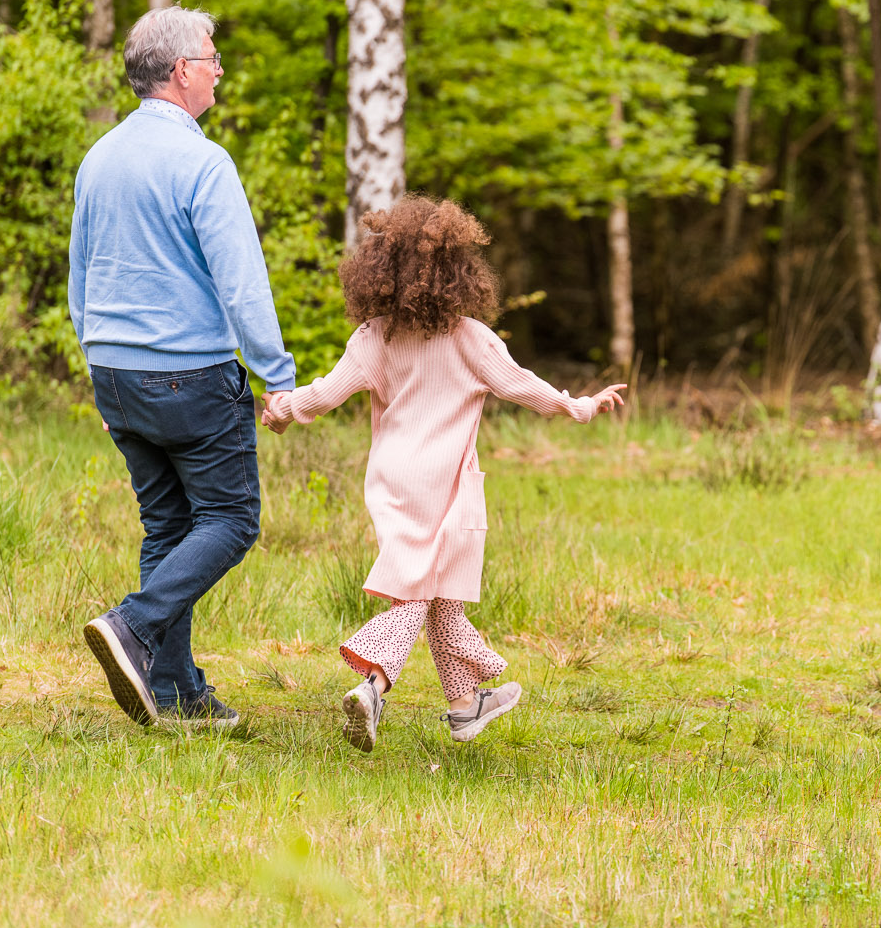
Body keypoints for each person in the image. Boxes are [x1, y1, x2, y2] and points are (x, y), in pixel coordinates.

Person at [261, 195, 624, 752]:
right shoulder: (473, 339)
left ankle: (464, 705)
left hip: (391, 482)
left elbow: (320, 396)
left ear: (379, 273)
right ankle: (373, 686)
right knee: (418, 594)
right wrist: (581, 405)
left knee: (438, 592)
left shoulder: (373, 339)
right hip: (449, 487)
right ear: (459, 272)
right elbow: (527, 388)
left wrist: (281, 411)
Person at [69, 6, 296, 729]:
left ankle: (173, 692)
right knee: (231, 519)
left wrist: (96, 367)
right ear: (179, 72)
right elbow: (241, 281)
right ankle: (133, 626)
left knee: (168, 529)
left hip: (116, 373)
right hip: (190, 376)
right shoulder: (203, 160)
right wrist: (276, 374)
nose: (219, 66)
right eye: (212, 55)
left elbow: (81, 275)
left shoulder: (99, 157)